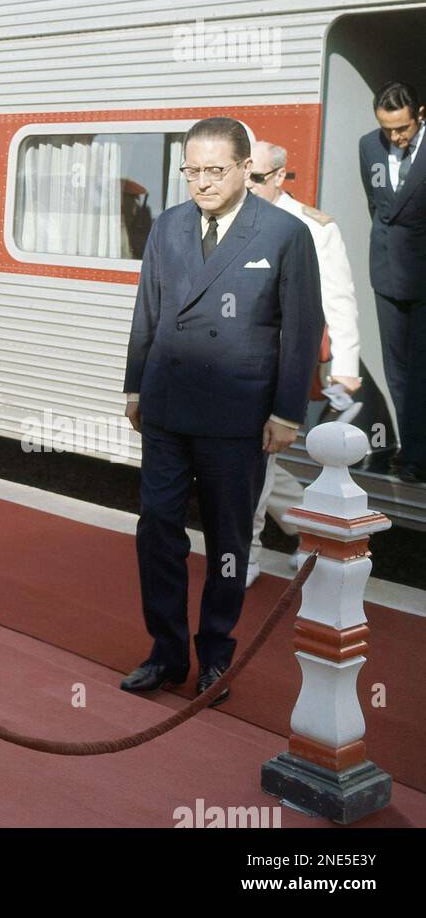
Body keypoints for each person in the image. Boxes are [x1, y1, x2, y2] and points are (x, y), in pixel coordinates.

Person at [121, 118, 323, 704]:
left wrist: (288, 413)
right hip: (165, 405)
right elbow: (148, 312)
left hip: (237, 414)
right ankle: (165, 653)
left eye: (215, 170)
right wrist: (135, 388)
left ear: (244, 168)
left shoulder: (285, 233)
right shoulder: (168, 227)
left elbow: (302, 329)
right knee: (157, 530)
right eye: (192, 170)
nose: (202, 182)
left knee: (229, 543)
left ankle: (214, 657)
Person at [243, 140, 361, 585]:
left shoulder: (313, 228)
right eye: (244, 175)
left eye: (256, 178)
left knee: (257, 457)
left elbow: (339, 299)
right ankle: (313, 531)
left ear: (278, 177)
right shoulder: (231, 218)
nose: (247, 186)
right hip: (236, 361)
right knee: (257, 456)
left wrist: (345, 366)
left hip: (282, 361)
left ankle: (245, 556)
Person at [359, 81, 426, 483]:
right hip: (386, 271)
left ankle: (419, 454)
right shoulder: (369, 146)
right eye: (388, 129)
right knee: (397, 369)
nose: (395, 137)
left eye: (402, 128)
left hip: (423, 274)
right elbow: (376, 204)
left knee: (421, 368)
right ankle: (413, 450)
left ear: (420, 114)